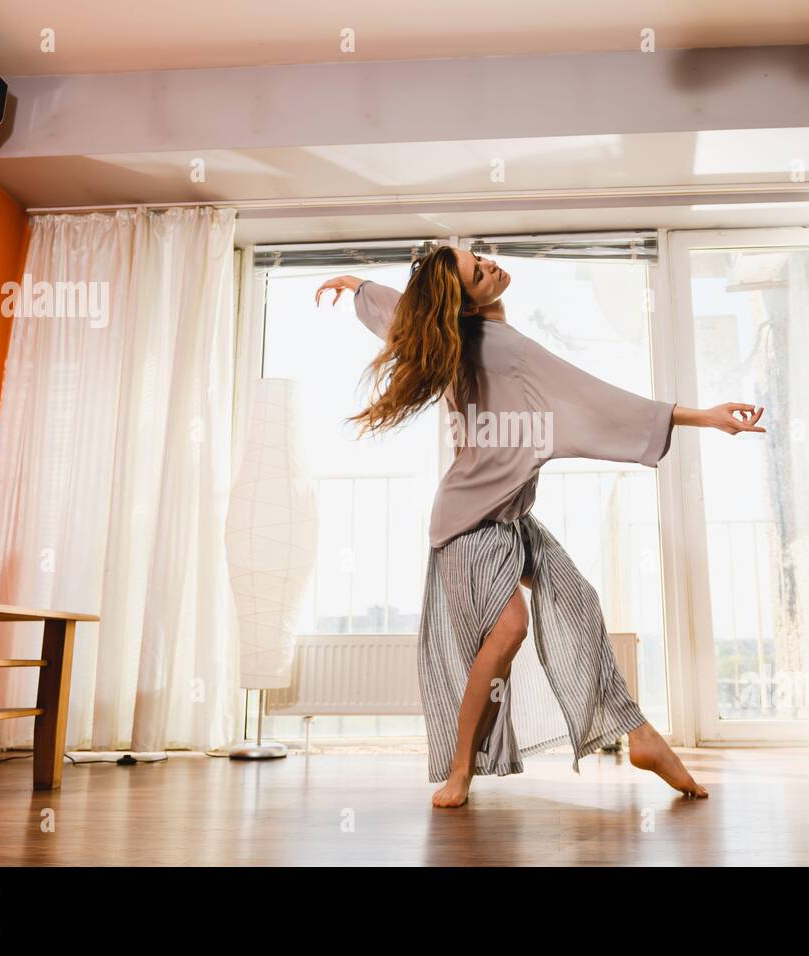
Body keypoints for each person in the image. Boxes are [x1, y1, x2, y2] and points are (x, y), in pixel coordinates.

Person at [315, 246, 765, 807]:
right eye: (478, 272)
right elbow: (599, 400)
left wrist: (358, 286)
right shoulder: (501, 347)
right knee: (507, 631)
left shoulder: (456, 333)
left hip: (511, 516)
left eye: (480, 258)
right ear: (464, 300)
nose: (491, 267)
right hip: (469, 521)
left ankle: (641, 735)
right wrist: (704, 417)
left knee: (577, 600)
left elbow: (399, 310)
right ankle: (460, 772)